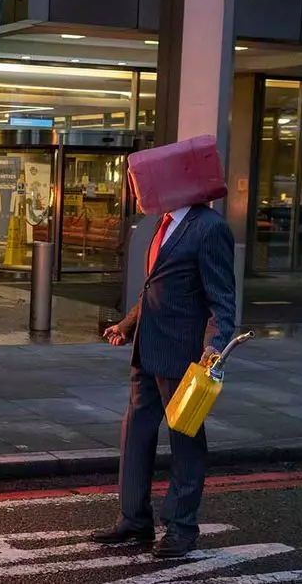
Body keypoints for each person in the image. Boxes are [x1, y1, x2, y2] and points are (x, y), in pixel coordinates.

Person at [93, 200, 236, 558]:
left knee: (186, 443)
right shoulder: (163, 222)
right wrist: (126, 325)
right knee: (136, 435)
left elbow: (222, 299)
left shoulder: (209, 227)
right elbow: (154, 287)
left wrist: (215, 346)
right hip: (147, 349)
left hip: (183, 357)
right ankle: (134, 519)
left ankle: (181, 528)